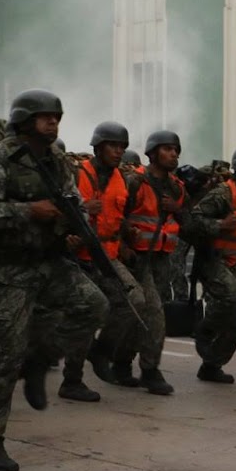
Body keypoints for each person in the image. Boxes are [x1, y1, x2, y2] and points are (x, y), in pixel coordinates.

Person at [0, 89, 108, 471]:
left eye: (56, 117)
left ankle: (41, 359)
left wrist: (74, 222)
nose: (53, 122)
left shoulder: (58, 162)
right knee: (4, 354)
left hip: (50, 260)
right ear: (25, 120)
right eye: (45, 116)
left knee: (94, 304)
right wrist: (31, 211)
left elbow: (73, 201)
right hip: (9, 269)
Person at [72, 121, 145, 399]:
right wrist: (83, 208)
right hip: (79, 257)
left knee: (135, 300)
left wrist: (127, 232)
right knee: (87, 312)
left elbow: (118, 214)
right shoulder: (77, 174)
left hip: (109, 256)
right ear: (98, 147)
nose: (118, 152)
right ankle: (72, 379)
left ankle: (101, 351)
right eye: (113, 146)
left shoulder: (121, 178)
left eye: (122, 147)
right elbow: (58, 209)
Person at [111, 129, 185, 395]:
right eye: (167, 149)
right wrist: (123, 242)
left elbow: (185, 223)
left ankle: (121, 363)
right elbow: (116, 214)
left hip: (161, 259)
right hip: (136, 258)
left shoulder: (176, 187)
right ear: (152, 153)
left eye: (175, 149)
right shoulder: (134, 181)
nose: (173, 153)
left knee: (141, 314)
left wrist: (178, 210)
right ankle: (150, 370)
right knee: (152, 312)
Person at [186, 145, 236, 383]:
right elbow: (193, 220)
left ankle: (211, 365)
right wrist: (220, 225)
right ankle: (204, 329)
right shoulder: (223, 193)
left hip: (235, 262)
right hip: (213, 260)